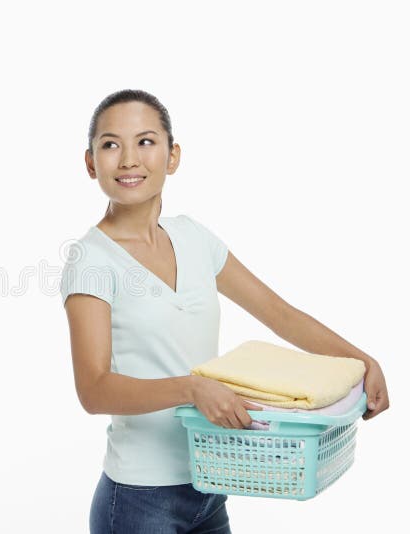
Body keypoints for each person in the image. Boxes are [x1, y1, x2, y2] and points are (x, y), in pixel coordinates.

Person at [59, 89, 390, 534]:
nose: (128, 159)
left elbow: (280, 313)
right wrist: (192, 389)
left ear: (172, 156)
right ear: (90, 162)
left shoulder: (195, 239)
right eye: (111, 144)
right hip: (139, 501)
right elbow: (94, 390)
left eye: (146, 141)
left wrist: (363, 361)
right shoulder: (91, 261)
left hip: (212, 482)